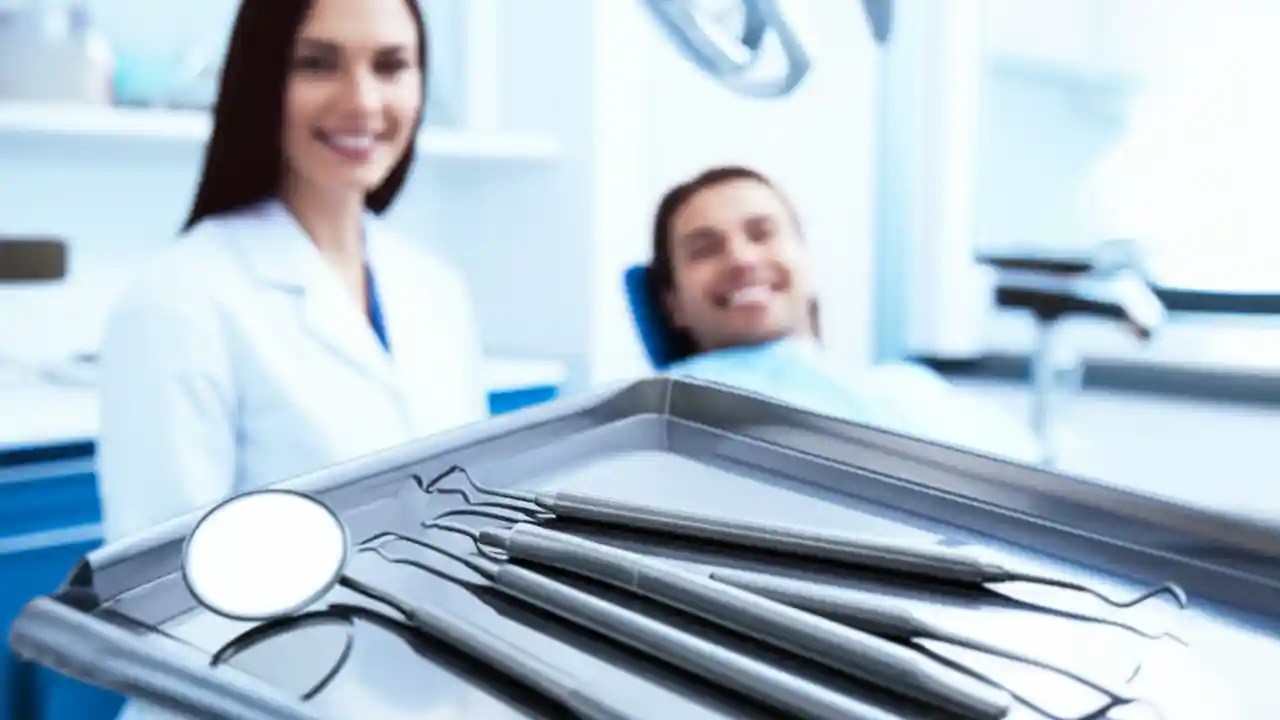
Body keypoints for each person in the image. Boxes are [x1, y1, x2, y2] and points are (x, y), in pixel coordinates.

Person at [97, 0, 488, 551]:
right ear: (260, 78)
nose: (362, 100)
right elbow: (159, 577)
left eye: (391, 65)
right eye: (317, 64)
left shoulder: (437, 288)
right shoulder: (177, 300)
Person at [645, 165, 1043, 463]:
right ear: (673, 303)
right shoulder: (652, 417)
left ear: (807, 258)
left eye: (763, 233)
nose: (741, 258)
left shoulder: (911, 388)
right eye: (704, 250)